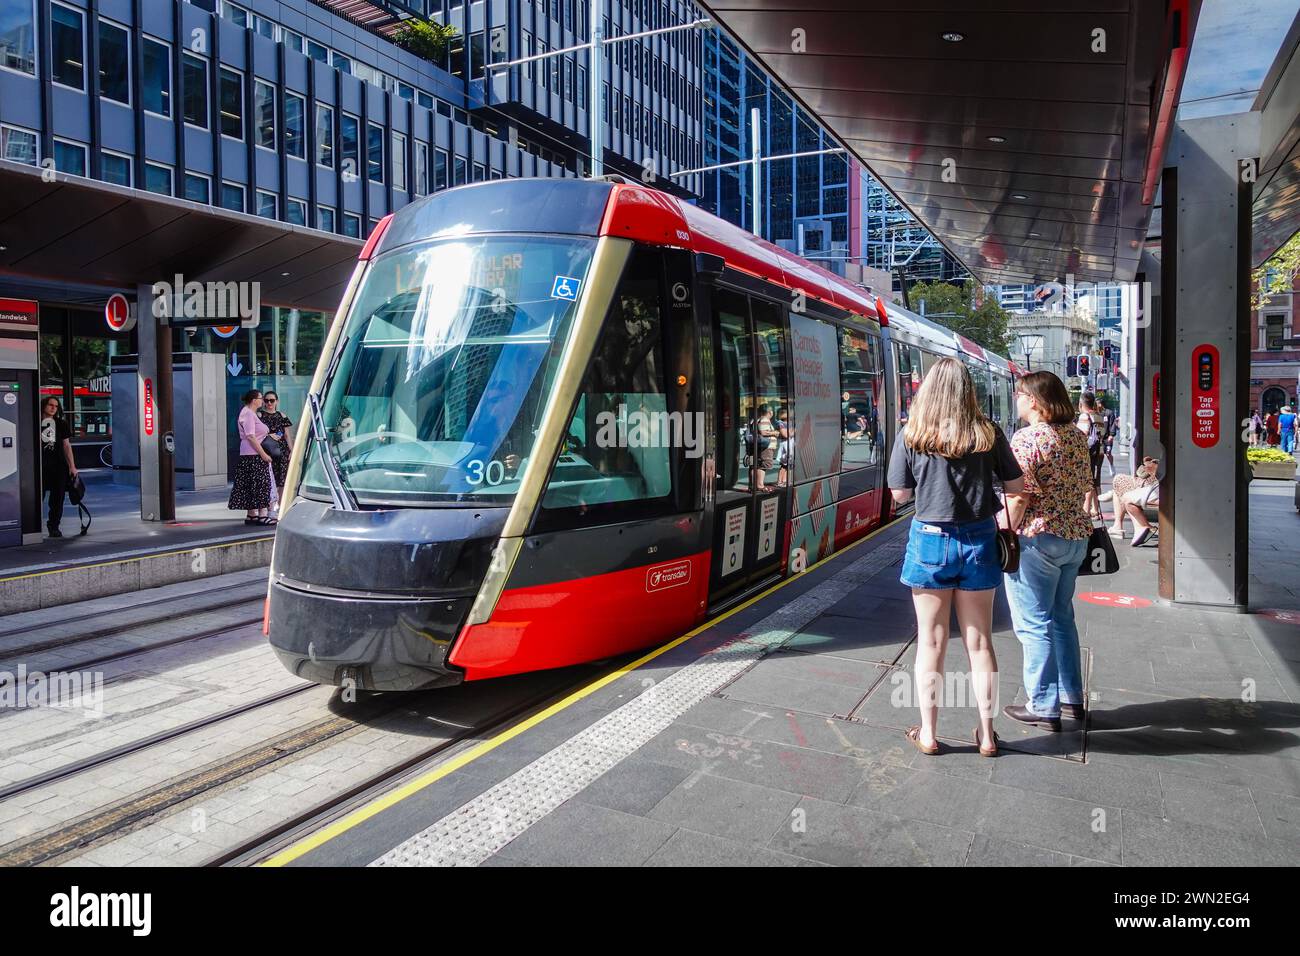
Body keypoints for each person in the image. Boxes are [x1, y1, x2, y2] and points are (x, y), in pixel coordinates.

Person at [887, 357, 1024, 758]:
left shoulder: (912, 434)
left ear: (928, 390)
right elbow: (1016, 486)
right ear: (968, 392)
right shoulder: (987, 433)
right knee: (979, 643)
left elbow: (900, 495)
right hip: (980, 540)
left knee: (931, 642)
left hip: (929, 540)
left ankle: (928, 734)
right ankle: (986, 735)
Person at [1001, 372, 1095, 731]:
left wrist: (1003, 528)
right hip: (1074, 538)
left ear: (1035, 402)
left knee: (1033, 624)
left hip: (1037, 540)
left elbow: (1019, 494)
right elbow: (1085, 486)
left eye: (1020, 395)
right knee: (1061, 619)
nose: (1017, 400)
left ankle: (1042, 704)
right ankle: (1072, 698)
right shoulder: (1076, 437)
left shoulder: (1027, 439)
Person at [229, 389, 276, 525]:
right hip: (254, 455)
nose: (263, 401)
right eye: (261, 398)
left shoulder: (246, 412)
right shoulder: (249, 414)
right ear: (254, 400)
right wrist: (264, 454)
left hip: (247, 454)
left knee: (250, 484)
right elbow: (251, 436)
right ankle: (262, 515)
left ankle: (252, 514)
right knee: (261, 484)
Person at [40, 397, 78, 538]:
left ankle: (54, 526)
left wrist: (72, 467)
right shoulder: (34, 421)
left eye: (56, 406)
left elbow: (66, 446)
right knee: (37, 497)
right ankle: (32, 527)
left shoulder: (61, 424)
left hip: (59, 466)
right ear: (44, 405)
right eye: (50, 405)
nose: (53, 408)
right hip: (39, 466)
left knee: (58, 498)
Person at [258, 390, 294, 507]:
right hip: (266, 450)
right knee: (269, 478)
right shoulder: (259, 415)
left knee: (282, 479)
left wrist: (292, 450)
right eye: (266, 400)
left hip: (282, 450)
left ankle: (280, 505)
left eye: (272, 400)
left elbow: (287, 435)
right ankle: (270, 505)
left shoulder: (282, 415)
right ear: (263, 401)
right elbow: (254, 433)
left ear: (277, 401)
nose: (269, 403)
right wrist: (269, 435)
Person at [1076, 392, 1105, 520]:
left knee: (1087, 481)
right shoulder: (1098, 416)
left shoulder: (1084, 416)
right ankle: (1095, 509)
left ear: (1081, 404)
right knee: (1094, 481)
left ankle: (1086, 510)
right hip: (1099, 452)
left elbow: (1081, 436)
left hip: (1088, 453)